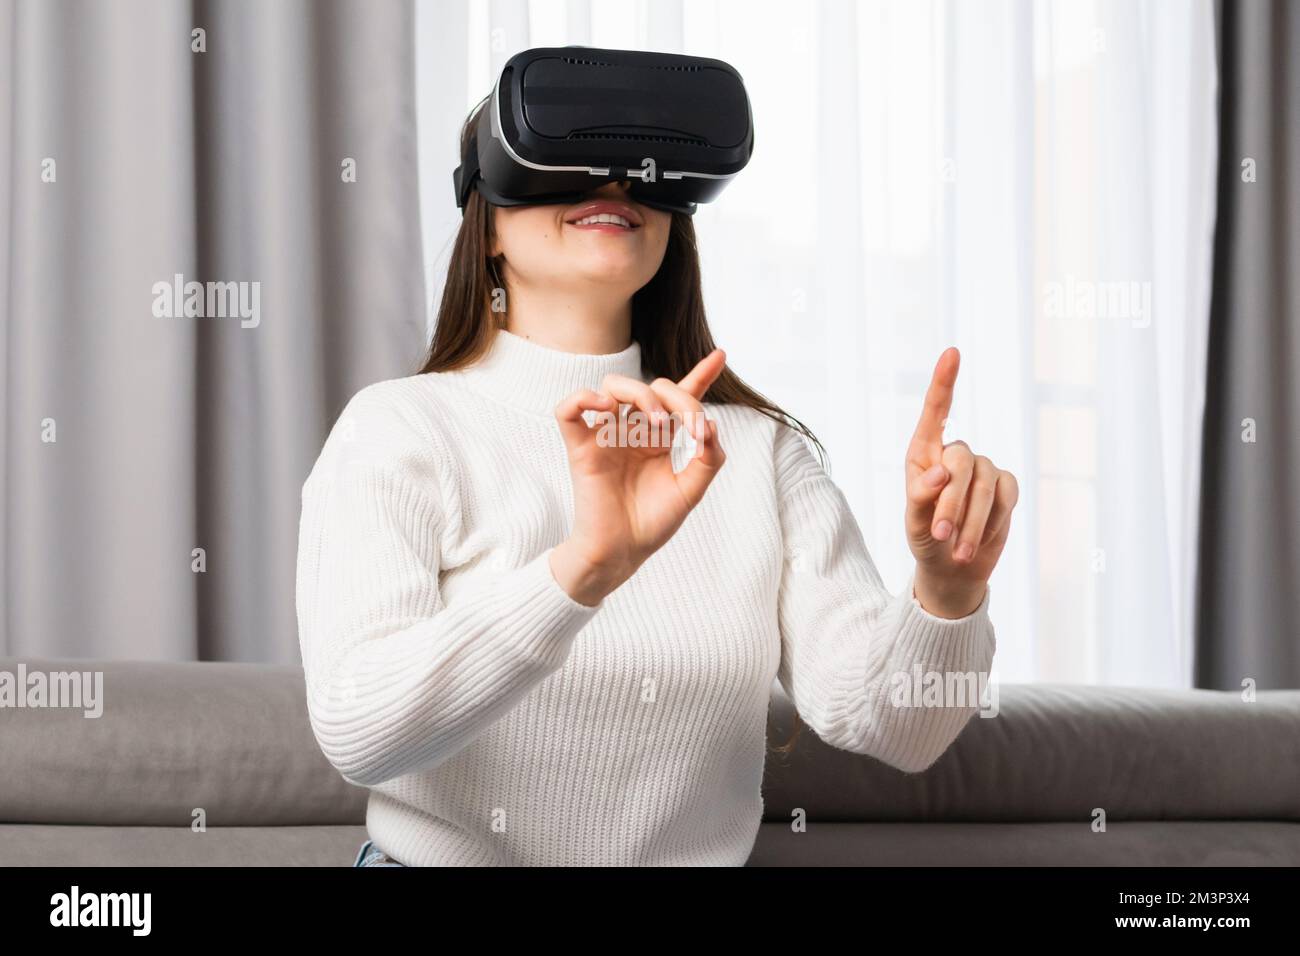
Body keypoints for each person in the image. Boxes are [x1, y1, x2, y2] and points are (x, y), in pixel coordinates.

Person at [297, 99, 1019, 867]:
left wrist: (945, 591)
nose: (615, 181)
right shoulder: (400, 429)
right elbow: (360, 732)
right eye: (572, 153)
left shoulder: (757, 451)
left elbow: (893, 728)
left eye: (642, 163)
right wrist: (581, 571)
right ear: (490, 221)